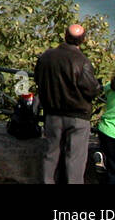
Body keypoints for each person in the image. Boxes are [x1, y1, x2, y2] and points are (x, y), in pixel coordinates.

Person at [34, 23, 103, 184]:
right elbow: (91, 90)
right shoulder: (82, 61)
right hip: (78, 116)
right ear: (83, 40)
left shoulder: (46, 56)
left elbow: (38, 79)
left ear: (65, 36)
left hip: (52, 113)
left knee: (51, 154)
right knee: (75, 160)